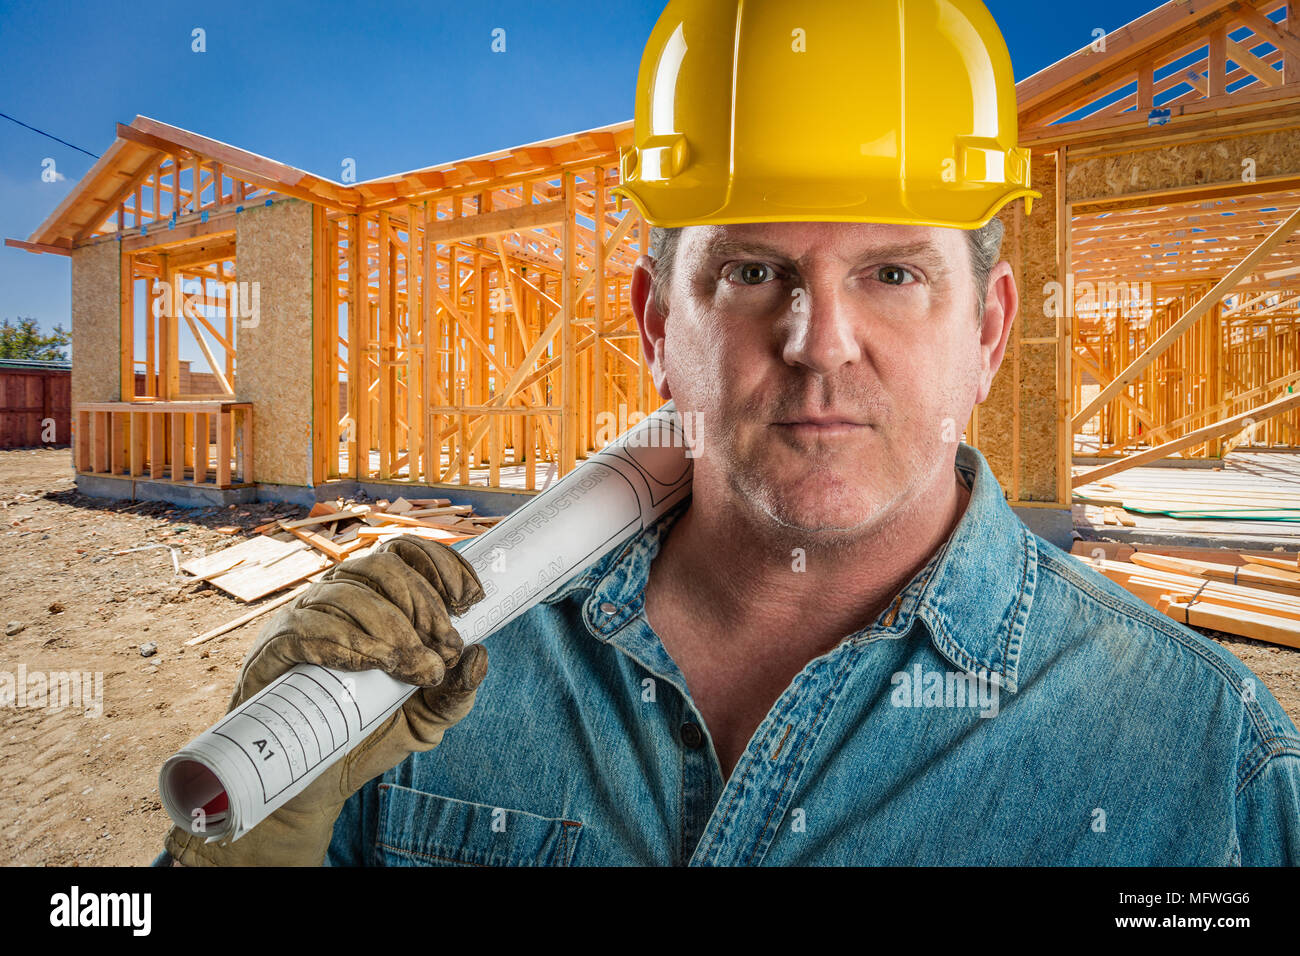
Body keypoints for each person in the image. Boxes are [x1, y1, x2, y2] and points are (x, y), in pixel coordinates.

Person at [160, 0, 1300, 867]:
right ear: (658, 324)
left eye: (893, 271)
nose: (817, 341)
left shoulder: (1206, 763)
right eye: (752, 270)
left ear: (990, 330)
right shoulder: (421, 689)